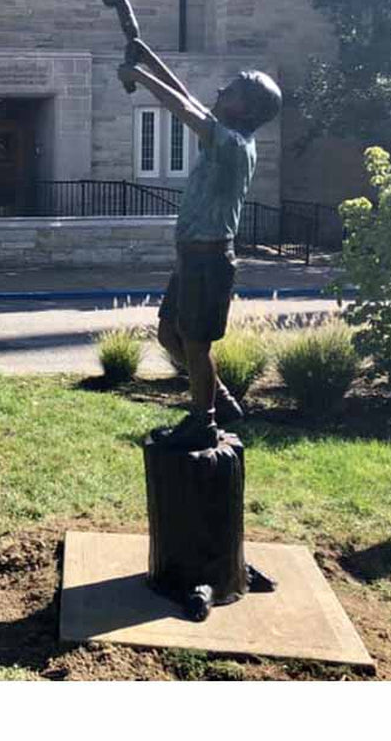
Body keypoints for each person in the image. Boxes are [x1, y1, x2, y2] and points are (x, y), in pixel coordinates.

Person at [117, 40, 282, 451]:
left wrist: (139, 76)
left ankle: (203, 420)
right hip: (193, 255)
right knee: (170, 334)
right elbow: (189, 97)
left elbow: (184, 109)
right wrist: (149, 58)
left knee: (194, 341)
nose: (222, 89)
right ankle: (220, 401)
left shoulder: (231, 144)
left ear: (244, 109)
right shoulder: (226, 134)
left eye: (233, 89)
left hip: (209, 257)